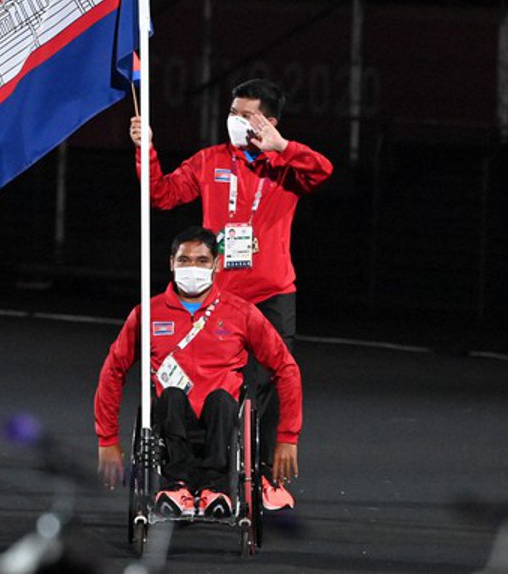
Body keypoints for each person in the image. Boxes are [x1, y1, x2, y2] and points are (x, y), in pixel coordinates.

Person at [130, 78, 331, 509]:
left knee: (273, 382)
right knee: (214, 386)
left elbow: (324, 170)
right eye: (233, 112)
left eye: (246, 115)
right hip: (219, 298)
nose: (234, 121)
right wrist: (144, 148)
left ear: (269, 121)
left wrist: (282, 145)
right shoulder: (210, 161)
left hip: (273, 294)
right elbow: (161, 194)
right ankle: (201, 475)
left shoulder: (286, 165)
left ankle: (261, 479)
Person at [94, 226, 302, 517]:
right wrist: (107, 440)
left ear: (216, 264)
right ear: (171, 263)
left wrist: (287, 437)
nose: (192, 268)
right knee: (173, 396)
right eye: (184, 260)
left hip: (222, 419)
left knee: (219, 399)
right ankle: (177, 485)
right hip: (172, 419)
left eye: (202, 261)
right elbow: (113, 370)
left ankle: (215, 487)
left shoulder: (240, 313)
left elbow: (286, 368)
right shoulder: (148, 314)